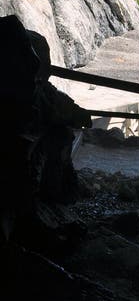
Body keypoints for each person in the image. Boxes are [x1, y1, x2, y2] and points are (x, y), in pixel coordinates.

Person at [0, 15, 91, 241]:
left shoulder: (25, 87)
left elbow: (51, 101)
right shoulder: (30, 89)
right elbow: (55, 104)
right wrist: (75, 113)